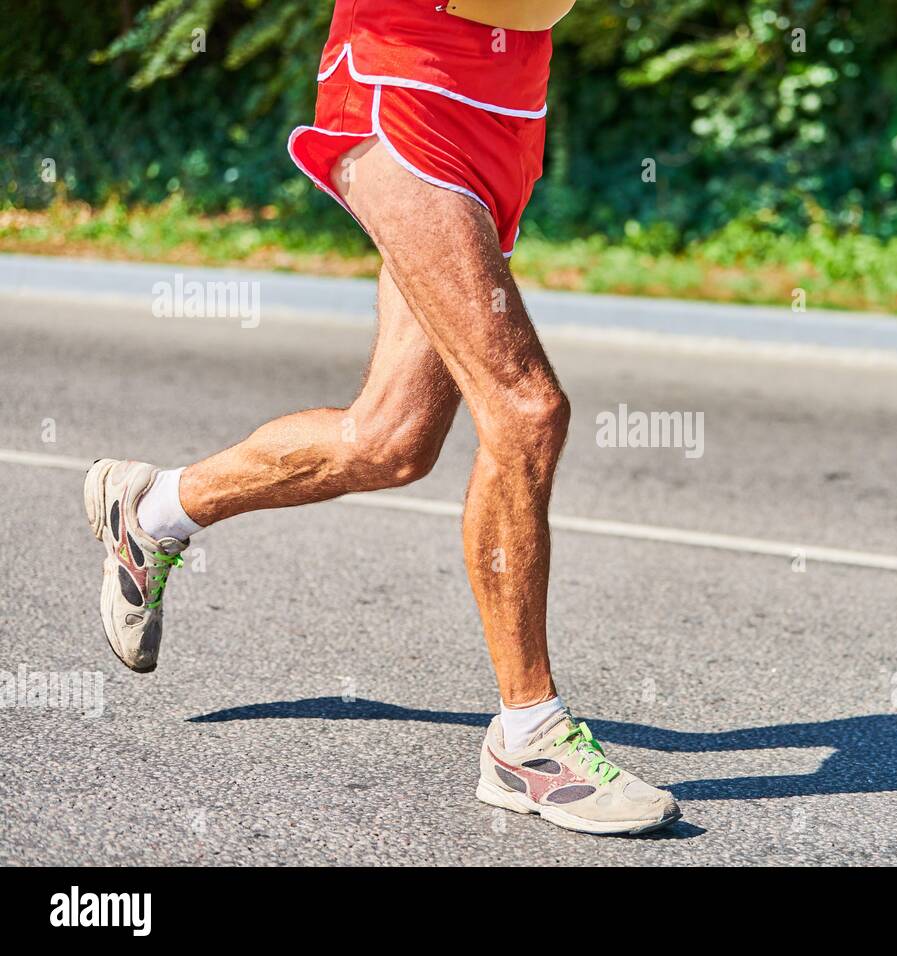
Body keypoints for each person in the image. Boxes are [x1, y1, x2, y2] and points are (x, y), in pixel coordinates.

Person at [83, 0, 680, 836]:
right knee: (526, 407)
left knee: (392, 439)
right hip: (404, 92)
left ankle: (150, 510)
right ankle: (528, 740)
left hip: (506, 112)